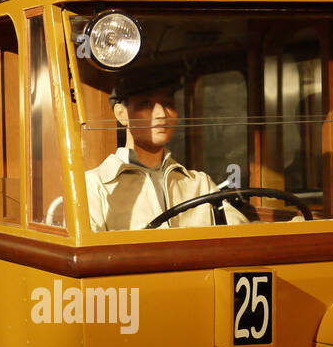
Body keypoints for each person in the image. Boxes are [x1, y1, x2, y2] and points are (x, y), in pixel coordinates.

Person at [85, 69, 249, 232]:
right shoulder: (95, 186)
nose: (161, 114)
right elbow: (91, 254)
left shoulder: (200, 184)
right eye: (145, 104)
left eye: (168, 104)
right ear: (122, 114)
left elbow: (242, 237)